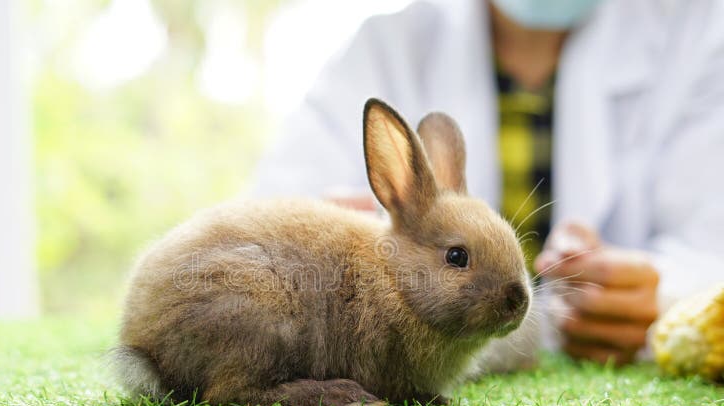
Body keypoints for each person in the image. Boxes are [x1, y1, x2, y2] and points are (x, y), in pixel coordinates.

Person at [252, 0, 724, 365]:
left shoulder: (697, 29)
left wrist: (666, 293)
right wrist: (330, 231)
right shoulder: (387, 43)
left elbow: (711, 241)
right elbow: (266, 217)